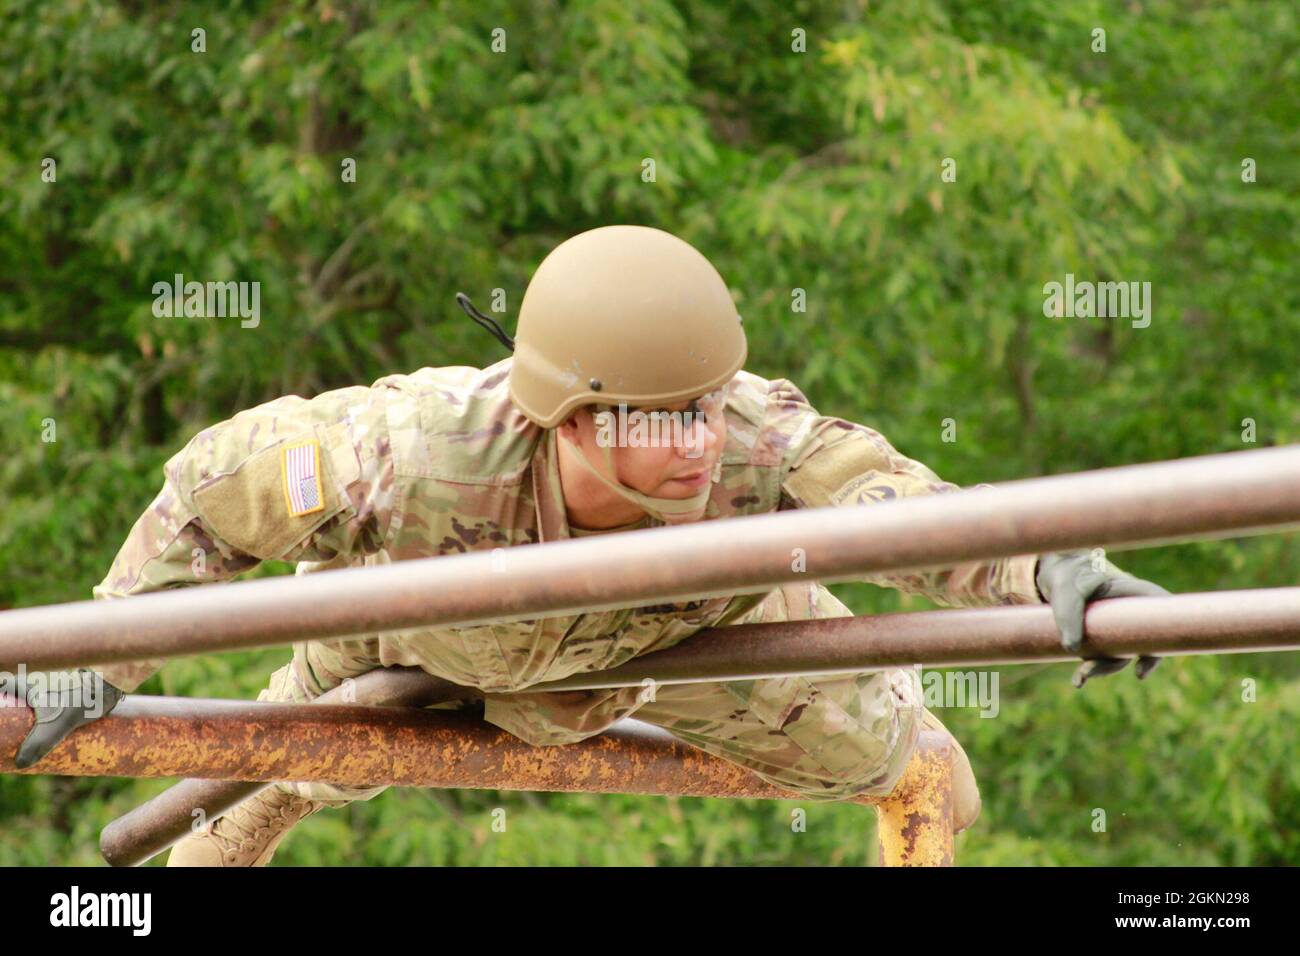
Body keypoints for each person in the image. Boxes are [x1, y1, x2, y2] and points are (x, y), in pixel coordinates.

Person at [12, 225, 1168, 866]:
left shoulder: (752, 438)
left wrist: (1052, 568)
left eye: (709, 403)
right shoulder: (413, 455)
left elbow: (898, 507)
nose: (699, 440)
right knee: (230, 815)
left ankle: (908, 756)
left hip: (684, 642)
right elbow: (214, 491)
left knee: (904, 767)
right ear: (568, 416)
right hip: (415, 621)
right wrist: (101, 655)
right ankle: (272, 801)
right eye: (663, 415)